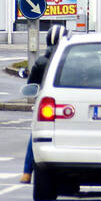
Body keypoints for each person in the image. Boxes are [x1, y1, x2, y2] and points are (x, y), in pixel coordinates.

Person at [21, 24, 66, 184]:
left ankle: (27, 172)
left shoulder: (41, 62)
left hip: (45, 104)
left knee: (36, 136)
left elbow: (31, 84)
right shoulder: (70, 61)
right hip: (68, 105)